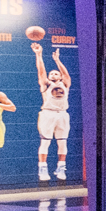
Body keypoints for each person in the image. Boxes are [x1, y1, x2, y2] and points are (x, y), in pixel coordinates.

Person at [34, 38, 71, 181]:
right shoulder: (45, 84)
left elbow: (66, 75)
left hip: (62, 115)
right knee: (45, 142)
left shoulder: (65, 84)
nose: (53, 75)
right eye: (52, 74)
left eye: (56, 73)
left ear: (60, 76)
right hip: (48, 114)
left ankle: (61, 168)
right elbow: (41, 71)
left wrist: (57, 60)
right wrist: (39, 54)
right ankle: (42, 170)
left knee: (62, 142)